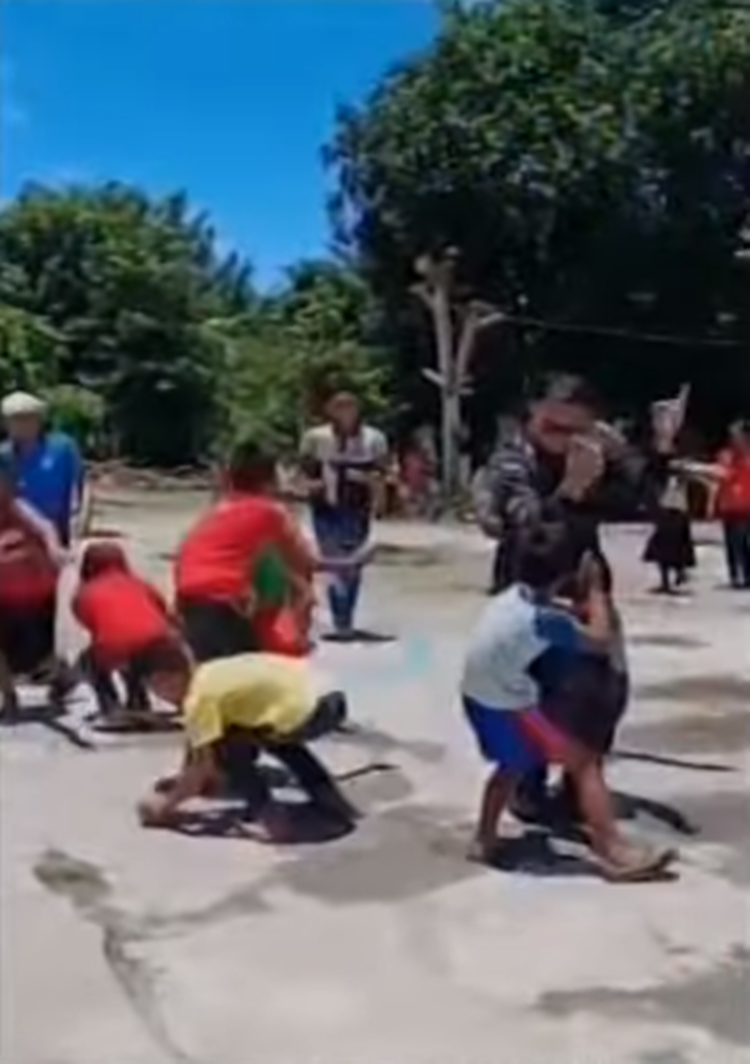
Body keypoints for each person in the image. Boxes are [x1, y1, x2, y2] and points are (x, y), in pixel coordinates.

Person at [473, 373, 681, 822]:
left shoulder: (591, 454)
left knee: (603, 695)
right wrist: (569, 490)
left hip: (586, 589)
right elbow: (528, 532)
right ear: (533, 416)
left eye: (577, 429)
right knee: (529, 696)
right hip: (527, 596)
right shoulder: (512, 462)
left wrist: (656, 446)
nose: (565, 440)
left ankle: (575, 787)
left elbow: (645, 502)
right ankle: (525, 791)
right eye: (554, 428)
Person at [461, 523, 675, 882]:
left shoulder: (510, 598)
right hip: (510, 706)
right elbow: (600, 639)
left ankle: (483, 840)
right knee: (583, 762)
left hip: (478, 698)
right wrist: (594, 593)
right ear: (564, 577)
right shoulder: (544, 621)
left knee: (509, 766)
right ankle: (614, 853)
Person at [174, 437, 369, 664]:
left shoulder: (218, 509)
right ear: (270, 478)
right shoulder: (270, 512)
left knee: (211, 677)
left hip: (188, 596)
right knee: (247, 678)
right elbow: (307, 561)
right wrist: (354, 561)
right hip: (224, 598)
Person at [135, 643, 359, 840]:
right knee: (273, 736)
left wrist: (164, 807)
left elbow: (201, 767)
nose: (160, 697)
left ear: (164, 679)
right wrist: (188, 777)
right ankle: (334, 803)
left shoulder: (199, 699)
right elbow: (197, 744)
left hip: (306, 710)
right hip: (330, 695)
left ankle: (271, 820)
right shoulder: (211, 672)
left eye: (156, 689)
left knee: (229, 751)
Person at [299, 392, 388, 640]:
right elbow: (304, 472)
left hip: (356, 509)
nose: (344, 412)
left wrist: (379, 500)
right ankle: (341, 620)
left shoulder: (373, 439)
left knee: (353, 564)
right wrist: (313, 485)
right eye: (339, 407)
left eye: (349, 406)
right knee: (333, 561)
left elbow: (381, 474)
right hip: (324, 508)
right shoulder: (315, 437)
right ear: (330, 410)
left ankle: (346, 613)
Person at [71, 541, 178, 727]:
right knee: (136, 657)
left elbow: (98, 631)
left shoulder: (84, 593)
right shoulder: (142, 585)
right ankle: (138, 701)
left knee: (91, 661)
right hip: (162, 641)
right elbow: (163, 613)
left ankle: (111, 707)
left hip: (118, 644)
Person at [0, 457, 69, 715]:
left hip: (36, 593)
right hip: (3, 596)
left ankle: (63, 678)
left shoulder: (17, 505)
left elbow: (45, 526)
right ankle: (9, 698)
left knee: (40, 658)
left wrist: (54, 548)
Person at [0, 391, 89, 546]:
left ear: (39, 420)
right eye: (15, 419)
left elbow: (81, 485)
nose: (22, 424)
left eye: (27, 418)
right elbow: (10, 499)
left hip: (63, 530)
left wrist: (82, 518)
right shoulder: (4, 456)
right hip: (20, 535)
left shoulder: (62, 447)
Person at [714, 420, 750, 589]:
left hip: (746, 506)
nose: (734, 438)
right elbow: (720, 475)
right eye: (732, 435)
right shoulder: (725, 455)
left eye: (737, 434)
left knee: (744, 542)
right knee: (731, 543)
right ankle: (735, 575)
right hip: (729, 505)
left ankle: (747, 575)